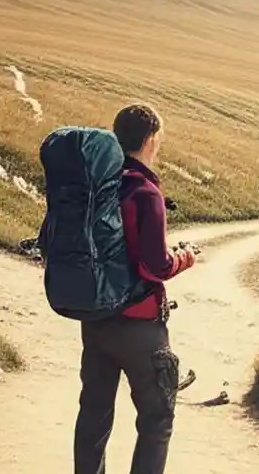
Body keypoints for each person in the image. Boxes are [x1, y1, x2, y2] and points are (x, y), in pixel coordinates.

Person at [74, 104, 196, 474]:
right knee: (157, 420)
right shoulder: (145, 192)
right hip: (140, 325)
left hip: (96, 319)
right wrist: (184, 258)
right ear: (150, 138)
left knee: (94, 414)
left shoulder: (100, 183)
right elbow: (153, 265)